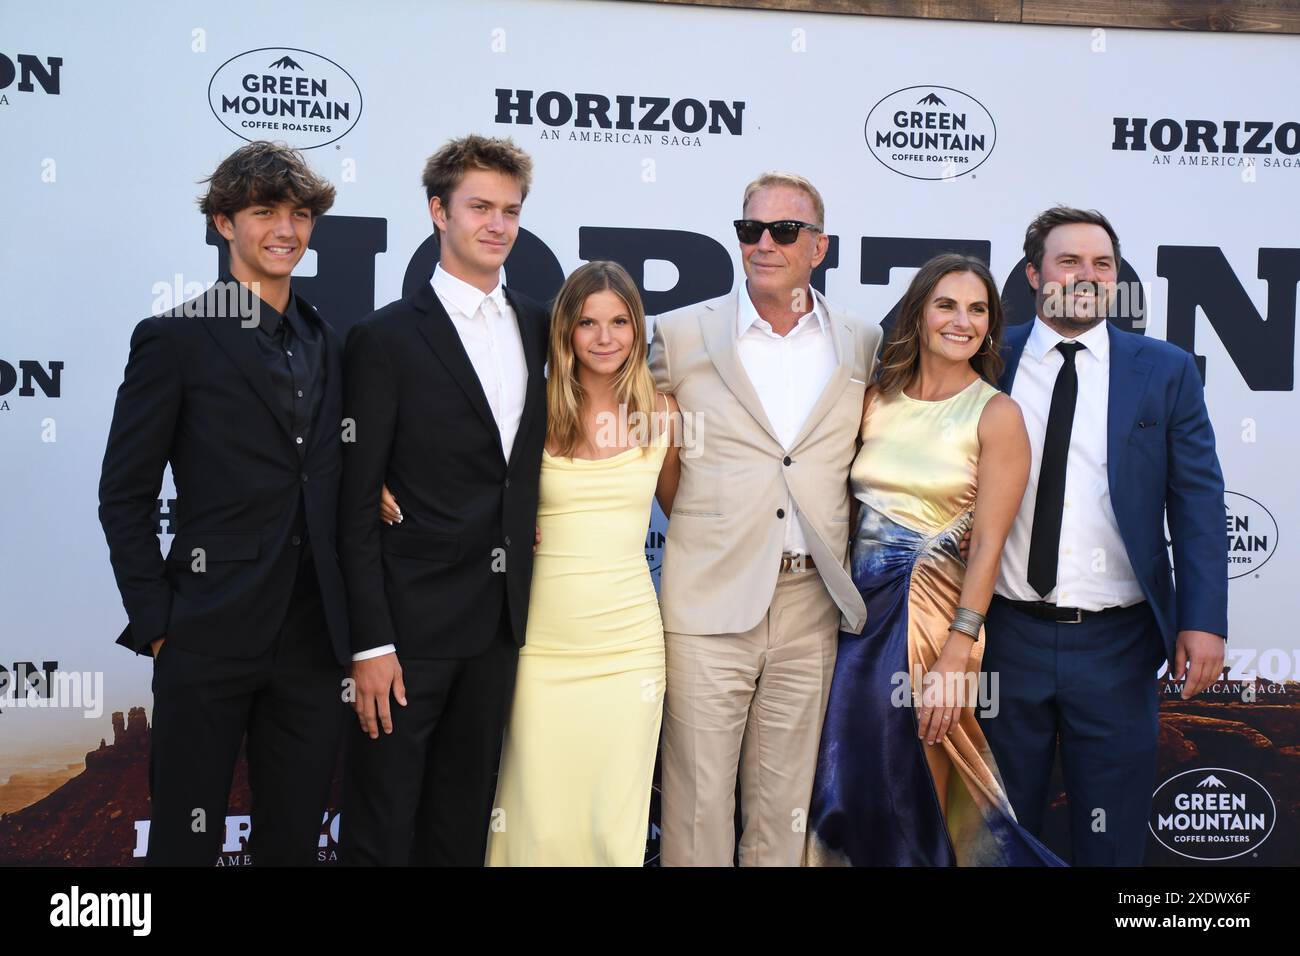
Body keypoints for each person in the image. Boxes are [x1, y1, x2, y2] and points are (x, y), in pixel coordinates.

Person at [98, 141, 349, 865]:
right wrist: (158, 625)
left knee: (294, 841)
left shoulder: (328, 341)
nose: (286, 229)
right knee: (185, 841)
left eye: (300, 214)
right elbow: (125, 492)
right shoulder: (173, 338)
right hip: (205, 631)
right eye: (264, 211)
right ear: (223, 224)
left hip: (310, 640)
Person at [979, 206, 1228, 866]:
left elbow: (1199, 500)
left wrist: (1203, 620)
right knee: (997, 839)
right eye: (1069, 261)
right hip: (1002, 637)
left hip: (1118, 644)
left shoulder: (1165, 370)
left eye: (1103, 264)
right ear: (1034, 274)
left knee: (1111, 841)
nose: (1087, 276)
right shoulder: (985, 360)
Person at [648, 172, 881, 866]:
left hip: (811, 605)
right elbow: (656, 452)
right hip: (706, 601)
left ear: (820, 246)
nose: (764, 244)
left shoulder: (862, 343)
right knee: (696, 806)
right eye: (751, 230)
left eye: (784, 231)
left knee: (784, 814)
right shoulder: (682, 333)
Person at [805, 254, 1062, 866]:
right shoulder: (873, 401)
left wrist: (958, 653)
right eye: (946, 304)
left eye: (978, 310)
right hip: (849, 624)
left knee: (913, 795)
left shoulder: (997, 415)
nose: (962, 321)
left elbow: (990, 548)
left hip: (928, 634)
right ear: (918, 314)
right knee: (847, 787)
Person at [337, 135, 548, 866]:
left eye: (511, 211)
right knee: (382, 827)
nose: (497, 225)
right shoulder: (383, 338)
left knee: (461, 828)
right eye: (479, 207)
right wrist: (371, 643)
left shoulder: (540, 325)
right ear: (437, 212)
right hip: (407, 633)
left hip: (499, 629)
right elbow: (355, 503)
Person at [457, 261, 678, 865]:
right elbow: (465, 485)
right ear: (566, 331)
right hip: (540, 645)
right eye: (587, 323)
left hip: (629, 647)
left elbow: (693, 518)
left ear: (637, 329)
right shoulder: (530, 410)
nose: (604, 338)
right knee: (533, 815)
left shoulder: (663, 413)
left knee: (614, 822)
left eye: (619, 322)